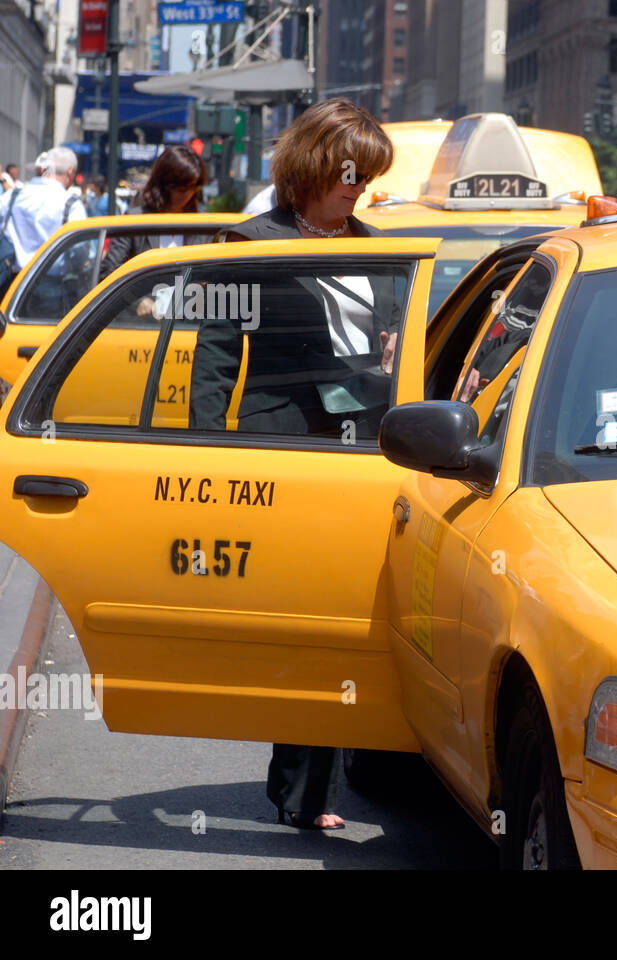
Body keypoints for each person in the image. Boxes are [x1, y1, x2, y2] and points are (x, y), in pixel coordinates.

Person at [188, 98, 395, 831]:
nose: (357, 188)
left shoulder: (380, 249)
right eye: (350, 173)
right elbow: (213, 361)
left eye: (367, 178)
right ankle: (304, 795)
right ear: (311, 166)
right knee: (312, 628)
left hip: (366, 454)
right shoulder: (249, 244)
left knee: (359, 625)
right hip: (286, 456)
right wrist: (208, 461)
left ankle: (343, 776)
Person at [99, 145, 207, 279]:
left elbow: (213, 276)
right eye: (181, 187)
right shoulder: (136, 220)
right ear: (163, 183)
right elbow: (109, 271)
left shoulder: (204, 225)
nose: (187, 194)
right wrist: (139, 300)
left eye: (193, 187)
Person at [0, 147, 87, 270]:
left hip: (11, 279)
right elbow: (80, 249)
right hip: (52, 282)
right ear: (70, 171)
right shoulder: (71, 205)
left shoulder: (11, 196)